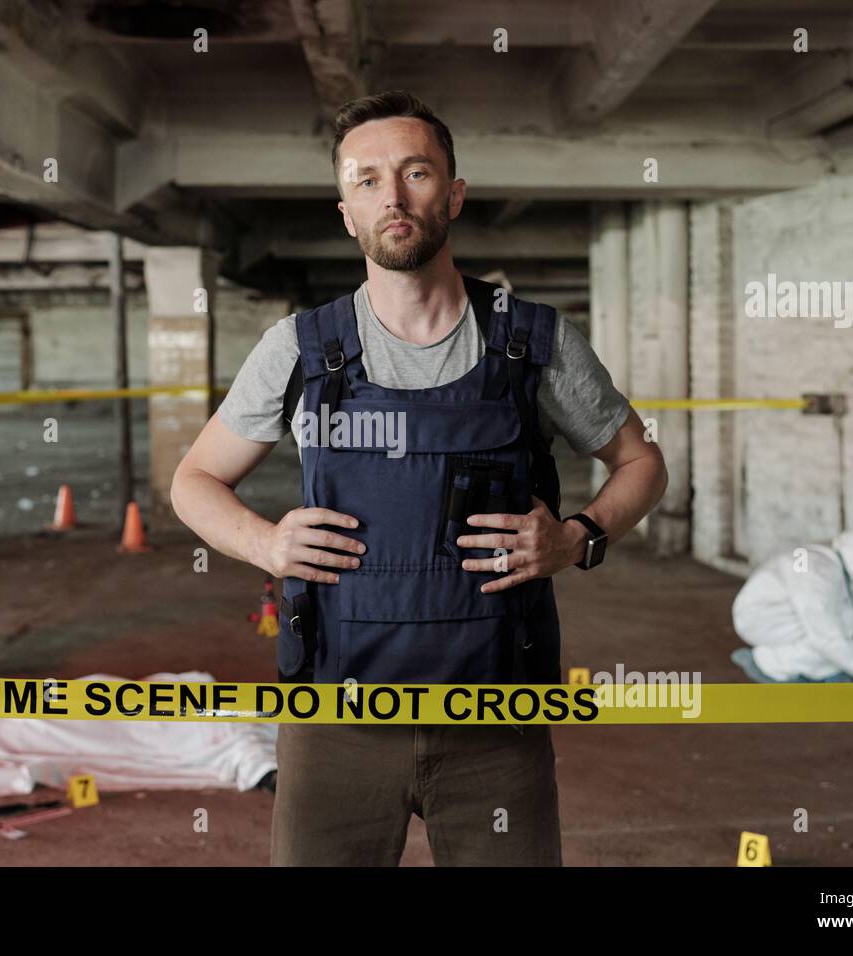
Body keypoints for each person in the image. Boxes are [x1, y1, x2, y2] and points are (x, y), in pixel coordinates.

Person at [170, 90, 668, 865]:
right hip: (335, 720)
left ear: (454, 194)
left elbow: (643, 462)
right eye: (366, 180)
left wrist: (576, 539)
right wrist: (265, 543)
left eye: (415, 173)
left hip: (495, 723)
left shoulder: (533, 342)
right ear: (346, 212)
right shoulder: (300, 349)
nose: (392, 196)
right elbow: (194, 479)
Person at [730, 523, 853, 684]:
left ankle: (819, 670)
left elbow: (844, 606)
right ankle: (766, 666)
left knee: (837, 627)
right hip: (762, 618)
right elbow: (828, 639)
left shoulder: (840, 564)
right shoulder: (817, 574)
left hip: (786, 614)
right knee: (825, 639)